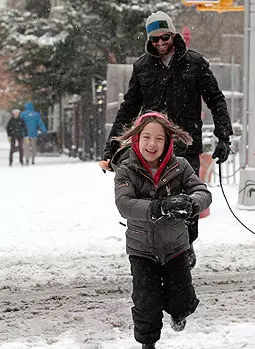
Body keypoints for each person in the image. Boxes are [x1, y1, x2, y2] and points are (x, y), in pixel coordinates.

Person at [101, 10, 233, 269]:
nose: (160, 43)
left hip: (186, 145)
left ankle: (186, 245)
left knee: (187, 198)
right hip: (152, 147)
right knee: (155, 199)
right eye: (154, 40)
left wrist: (224, 136)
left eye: (164, 37)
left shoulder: (195, 63)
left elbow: (216, 99)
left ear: (173, 35)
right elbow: (129, 107)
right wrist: (112, 146)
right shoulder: (142, 67)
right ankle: (156, 251)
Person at [104, 111, 212, 349]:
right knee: (146, 304)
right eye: (147, 138)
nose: (152, 144)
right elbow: (125, 204)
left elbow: (203, 193)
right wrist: (159, 207)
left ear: (167, 142)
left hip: (175, 247)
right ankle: (148, 344)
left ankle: (177, 311)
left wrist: (192, 203)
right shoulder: (126, 170)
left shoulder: (180, 167)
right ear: (137, 139)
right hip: (141, 250)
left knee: (182, 299)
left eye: (159, 139)